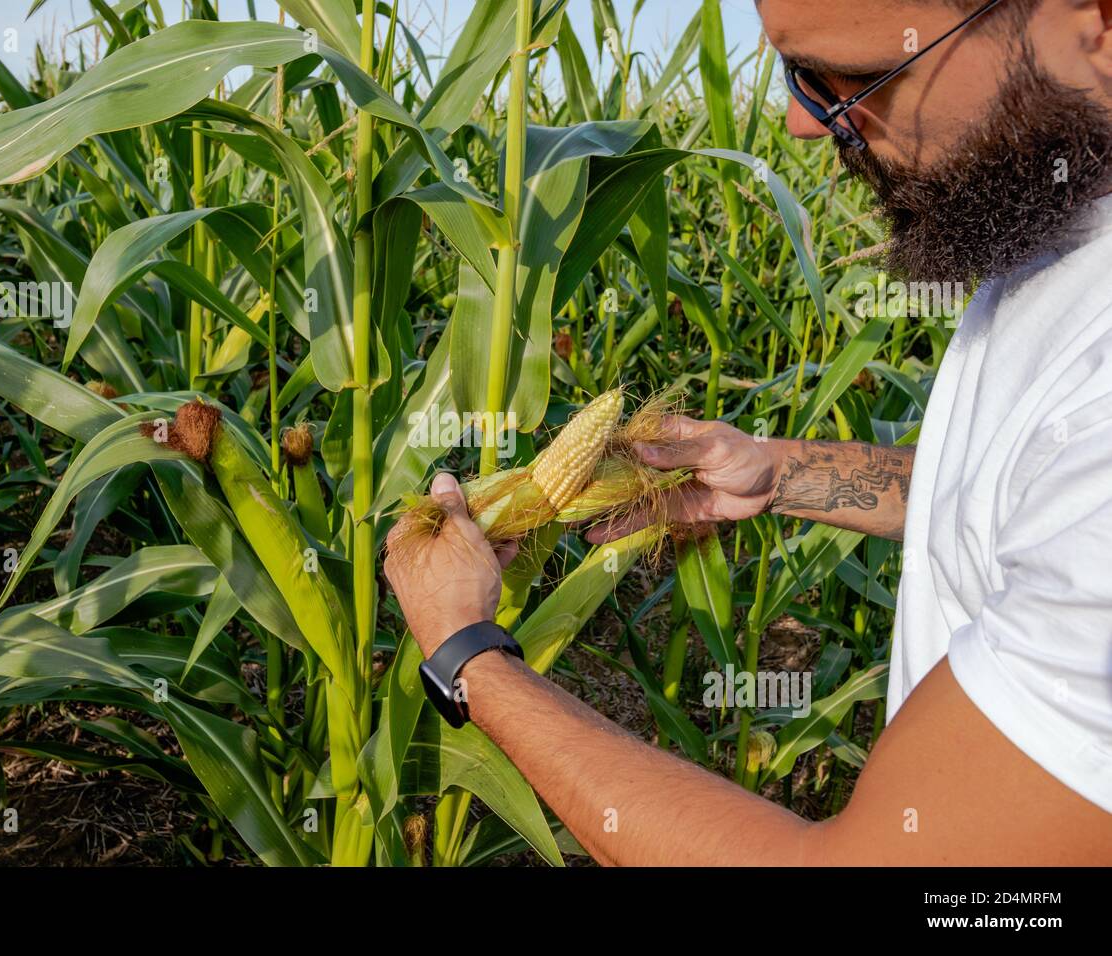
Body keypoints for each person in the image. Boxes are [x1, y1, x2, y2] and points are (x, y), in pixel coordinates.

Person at [383, 0, 1112, 865]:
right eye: (795, 75)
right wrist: (778, 474)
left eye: (856, 77)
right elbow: (1027, 501)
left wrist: (469, 655)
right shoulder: (1065, 228)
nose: (805, 122)